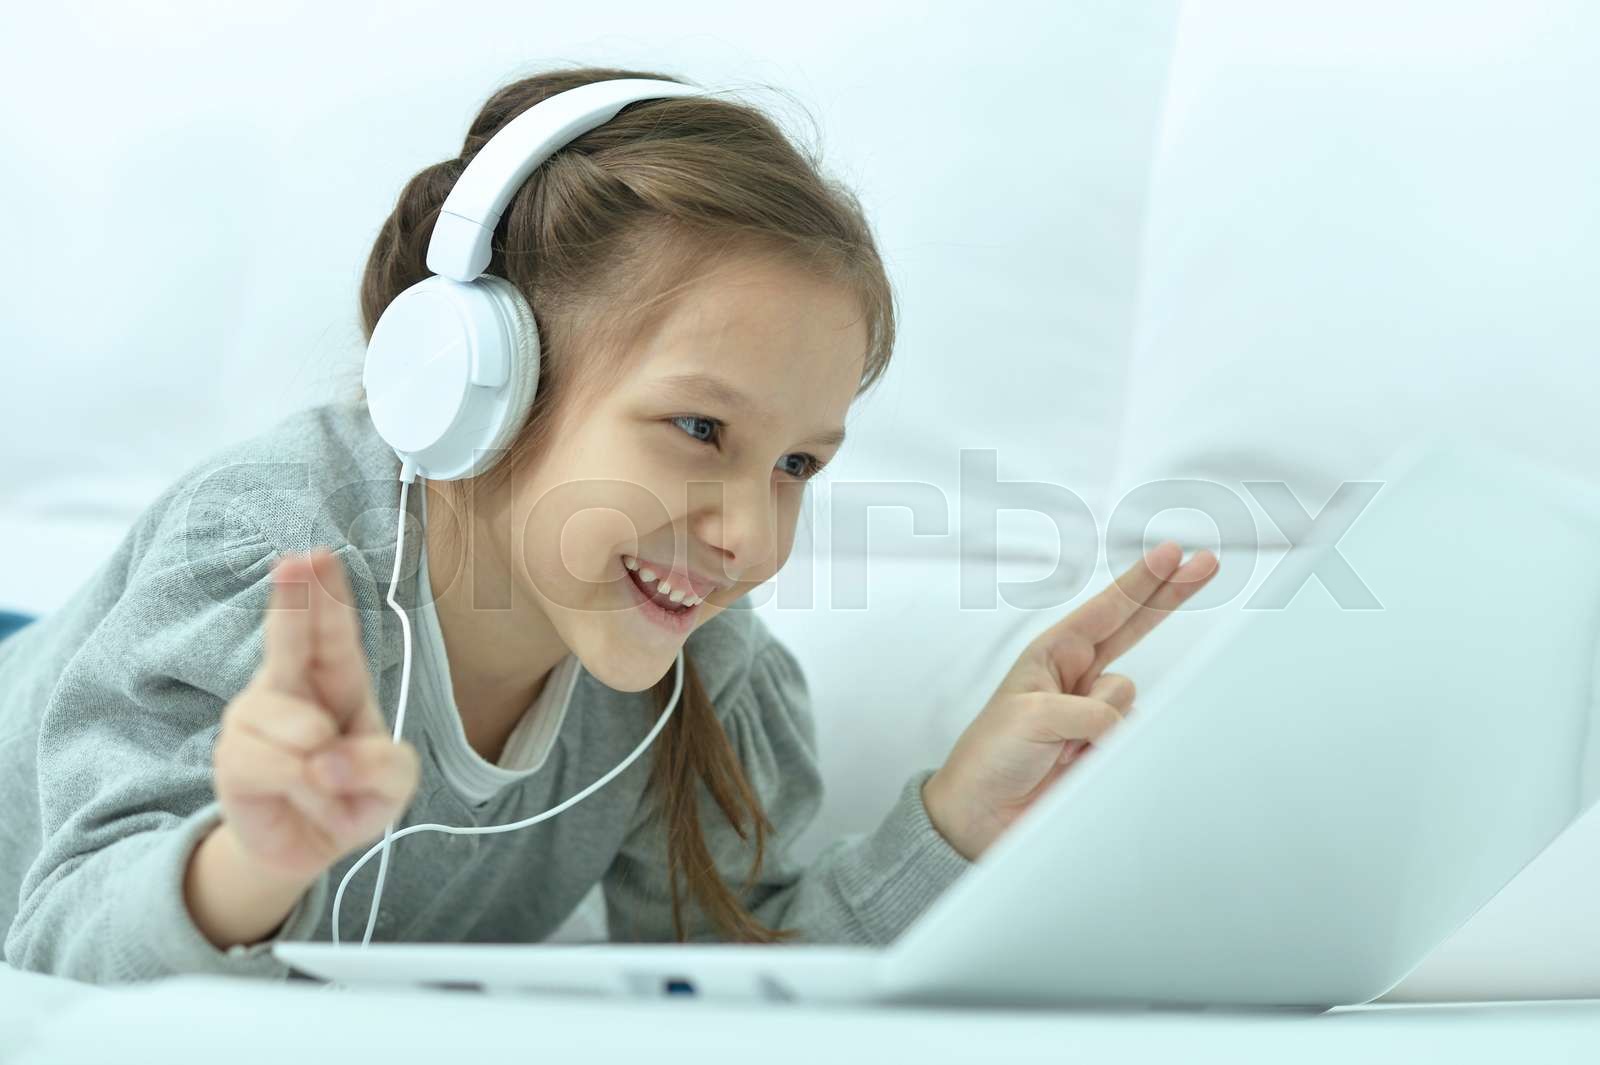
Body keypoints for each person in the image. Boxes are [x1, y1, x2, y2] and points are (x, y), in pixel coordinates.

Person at [0, 66, 1217, 986]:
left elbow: (746, 974)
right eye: (698, 429)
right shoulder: (274, 559)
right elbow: (54, 942)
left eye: (797, 462)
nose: (747, 529)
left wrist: (955, 820)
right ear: (476, 385)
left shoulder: (697, 685)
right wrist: (251, 862)